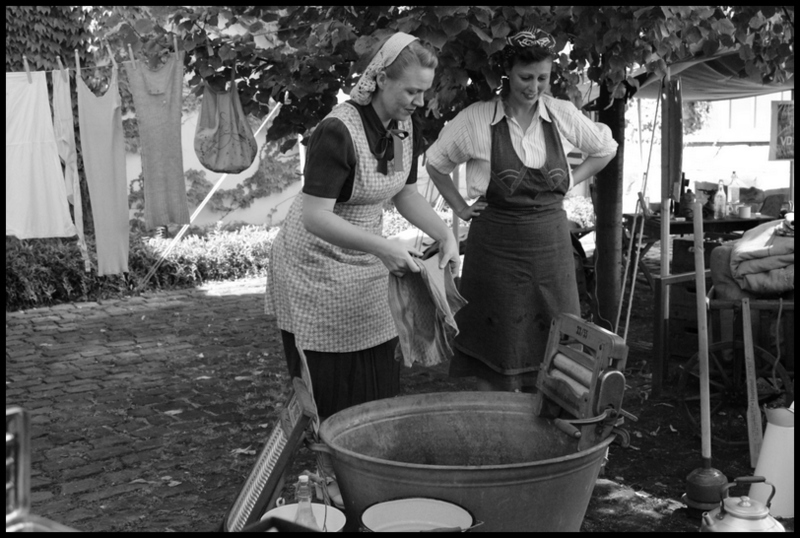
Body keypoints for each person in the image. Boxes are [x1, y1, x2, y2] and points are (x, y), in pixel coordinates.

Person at [266, 32, 459, 420]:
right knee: (332, 384)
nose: (419, 102)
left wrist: (445, 234)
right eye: (411, 91)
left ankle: (370, 453)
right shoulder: (337, 131)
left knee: (377, 368)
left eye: (424, 91)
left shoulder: (404, 128)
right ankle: (334, 464)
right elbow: (316, 216)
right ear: (381, 79)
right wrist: (384, 247)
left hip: (367, 258)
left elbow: (405, 195)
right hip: (313, 265)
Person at [425, 28, 618, 392]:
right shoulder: (477, 119)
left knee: (554, 345)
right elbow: (435, 164)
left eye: (542, 78)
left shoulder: (561, 113)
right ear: (507, 75)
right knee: (495, 349)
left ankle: (542, 426)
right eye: (525, 77)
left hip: (551, 249)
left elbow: (606, 148)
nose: (534, 87)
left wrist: (572, 178)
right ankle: (496, 430)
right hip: (495, 250)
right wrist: (460, 209)